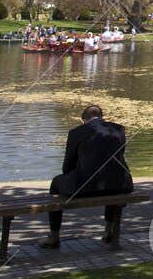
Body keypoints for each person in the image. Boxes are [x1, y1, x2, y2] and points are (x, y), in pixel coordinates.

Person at [41, 104, 133, 249]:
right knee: (111, 179)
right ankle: (109, 230)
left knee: (56, 183)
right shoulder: (118, 129)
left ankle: (54, 236)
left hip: (86, 187)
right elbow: (118, 158)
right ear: (102, 118)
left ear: (83, 120)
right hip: (122, 184)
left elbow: (67, 167)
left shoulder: (76, 132)